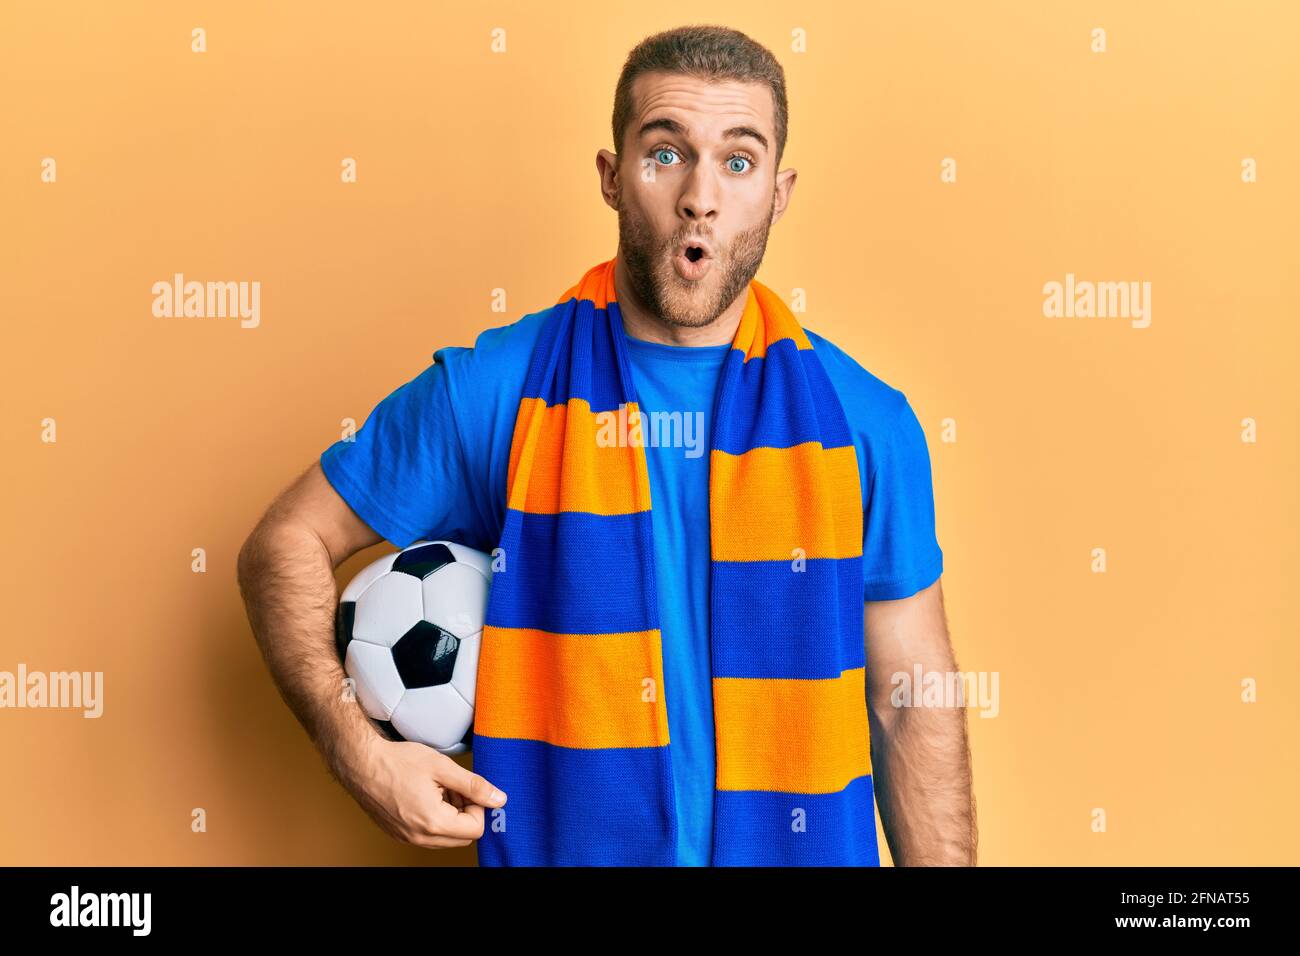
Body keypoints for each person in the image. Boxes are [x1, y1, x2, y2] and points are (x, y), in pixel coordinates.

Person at [238, 24, 975, 866]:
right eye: (666, 154)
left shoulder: (865, 422)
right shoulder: (496, 390)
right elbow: (284, 545)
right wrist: (357, 753)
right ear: (612, 177)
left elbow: (911, 699)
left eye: (738, 162)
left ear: (779, 191)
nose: (701, 195)